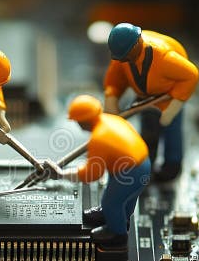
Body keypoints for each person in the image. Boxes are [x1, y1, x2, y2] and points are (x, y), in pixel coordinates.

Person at [103, 23, 199, 181]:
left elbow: (191, 75)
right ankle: (147, 168)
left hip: (168, 99)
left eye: (125, 56)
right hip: (145, 100)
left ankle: (171, 168)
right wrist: (111, 96)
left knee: (171, 133)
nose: (123, 61)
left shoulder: (164, 57)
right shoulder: (123, 57)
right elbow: (115, 77)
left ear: (137, 44)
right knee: (148, 134)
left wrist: (174, 107)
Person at [54, 95, 150, 246]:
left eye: (77, 121)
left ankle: (117, 234)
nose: (78, 124)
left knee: (111, 202)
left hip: (130, 171)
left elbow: (92, 174)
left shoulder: (99, 138)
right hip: (143, 163)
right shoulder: (112, 119)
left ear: (84, 121)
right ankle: (118, 219)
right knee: (127, 198)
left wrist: (62, 175)